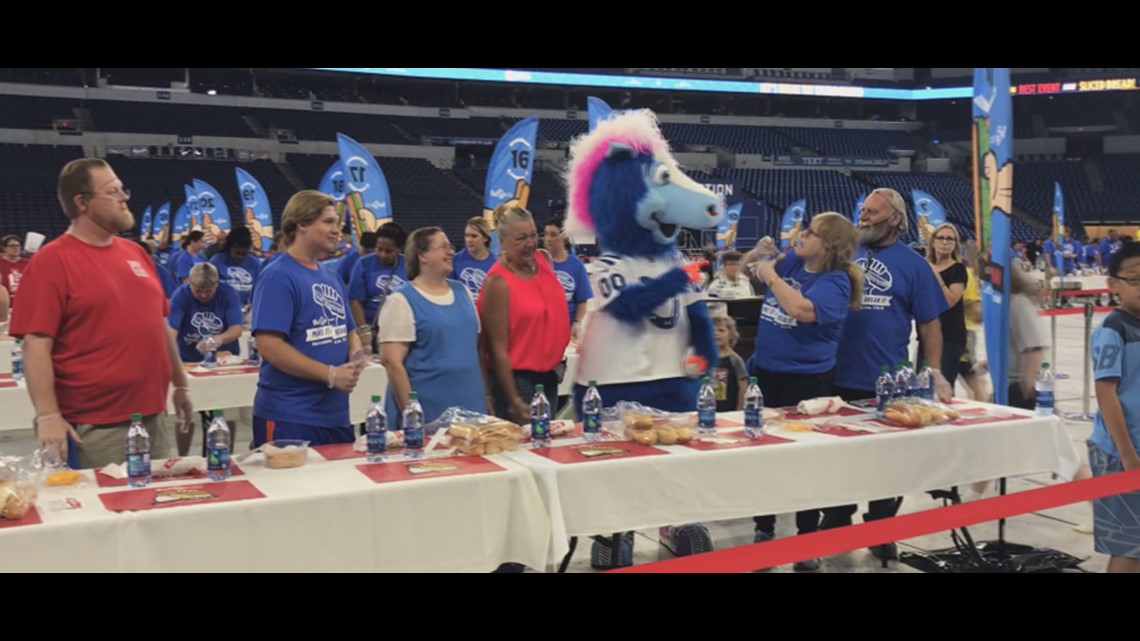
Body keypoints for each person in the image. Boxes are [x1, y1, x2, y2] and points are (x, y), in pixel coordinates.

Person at [9, 158, 193, 468]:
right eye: (112, 191)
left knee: (158, 510)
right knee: (112, 512)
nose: (123, 197)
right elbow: (35, 345)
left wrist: (181, 384)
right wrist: (48, 415)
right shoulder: (52, 261)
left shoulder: (135, 253)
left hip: (153, 416)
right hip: (96, 428)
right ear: (82, 202)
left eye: (123, 189)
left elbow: (158, 326)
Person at [822, 188, 950, 561]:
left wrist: (935, 370)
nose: (864, 217)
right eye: (862, 210)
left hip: (888, 378)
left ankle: (881, 526)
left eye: (873, 212)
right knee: (836, 452)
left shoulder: (913, 265)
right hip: (833, 371)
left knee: (888, 461)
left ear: (894, 218)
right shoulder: (843, 253)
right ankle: (835, 518)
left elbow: (929, 323)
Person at [746, 212, 863, 570]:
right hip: (767, 373)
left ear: (828, 245)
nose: (802, 235)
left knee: (806, 460)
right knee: (762, 454)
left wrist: (770, 275)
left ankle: (806, 538)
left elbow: (800, 310)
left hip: (805, 381)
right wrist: (759, 254)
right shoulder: (795, 261)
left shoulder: (836, 280)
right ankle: (763, 528)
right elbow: (750, 267)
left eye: (811, 233)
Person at [250, 190, 365, 447]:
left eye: (337, 222)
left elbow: (347, 330)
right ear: (301, 223)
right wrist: (330, 374)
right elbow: (269, 345)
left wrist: (356, 354)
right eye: (328, 222)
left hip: (335, 416)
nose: (337, 230)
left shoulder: (331, 276)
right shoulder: (277, 276)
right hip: (290, 415)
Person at [378, 227, 489, 425]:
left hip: (472, 410)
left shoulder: (462, 291)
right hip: (429, 414)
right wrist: (412, 417)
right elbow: (392, 363)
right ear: (423, 255)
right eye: (443, 247)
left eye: (450, 247)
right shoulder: (401, 300)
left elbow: (476, 349)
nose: (451, 252)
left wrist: (487, 396)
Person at [478, 205, 570, 423]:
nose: (530, 244)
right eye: (520, 239)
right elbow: (496, 349)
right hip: (518, 379)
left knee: (547, 443)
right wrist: (513, 399)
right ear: (503, 242)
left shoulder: (543, 260)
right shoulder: (498, 282)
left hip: (550, 373)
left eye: (532, 236)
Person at [1085, 243, 1140, 572]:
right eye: (1135, 279)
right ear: (1113, 285)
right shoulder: (1113, 329)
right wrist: (1127, 454)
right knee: (1128, 545)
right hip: (1119, 452)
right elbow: (1106, 391)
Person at [168, 263, 243, 456]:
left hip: (222, 359)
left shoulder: (228, 293)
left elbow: (236, 328)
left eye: (208, 291)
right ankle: (183, 456)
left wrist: (218, 339)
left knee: (227, 412)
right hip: (189, 360)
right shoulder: (181, 296)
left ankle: (227, 453)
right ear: (189, 284)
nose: (203, 295)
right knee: (186, 415)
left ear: (217, 285)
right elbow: (171, 331)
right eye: (198, 291)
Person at [918, 223, 969, 390]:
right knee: (922, 386)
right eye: (941, 238)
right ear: (933, 242)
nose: (945, 242)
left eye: (950, 239)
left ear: (955, 244)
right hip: (926, 335)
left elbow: (950, 301)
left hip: (949, 337)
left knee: (941, 388)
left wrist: (936, 276)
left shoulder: (958, 269)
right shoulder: (925, 268)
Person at [348, 223, 407, 354]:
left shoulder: (409, 265)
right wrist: (363, 330)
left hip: (399, 330)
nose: (383, 255)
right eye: (379, 249)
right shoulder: (363, 263)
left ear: (400, 249)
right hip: (371, 328)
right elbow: (355, 300)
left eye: (389, 251)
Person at [543, 216, 593, 335]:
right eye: (546, 234)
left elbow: (582, 300)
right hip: (542, 325)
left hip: (566, 326)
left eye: (553, 234)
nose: (548, 239)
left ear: (564, 237)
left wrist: (577, 323)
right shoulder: (537, 262)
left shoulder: (576, 266)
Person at [209, 225, 261, 308]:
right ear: (230, 247)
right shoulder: (217, 261)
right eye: (237, 253)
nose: (240, 257)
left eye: (244, 254)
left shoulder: (255, 264)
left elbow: (259, 289)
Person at [450, 216, 497, 299]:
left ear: (485, 238)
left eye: (474, 236)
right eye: (467, 236)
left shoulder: (495, 263)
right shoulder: (455, 260)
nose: (469, 240)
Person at [710, 314, 746, 413]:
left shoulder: (735, 360)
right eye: (712, 331)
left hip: (729, 409)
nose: (716, 334)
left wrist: (739, 410)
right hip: (709, 409)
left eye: (721, 330)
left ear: (731, 335)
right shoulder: (707, 358)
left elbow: (743, 386)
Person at [0, 235, 29, 302]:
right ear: (4, 248)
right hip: (7, 305)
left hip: (26, 302)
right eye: (12, 246)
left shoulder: (28, 263)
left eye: (18, 246)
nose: (16, 248)